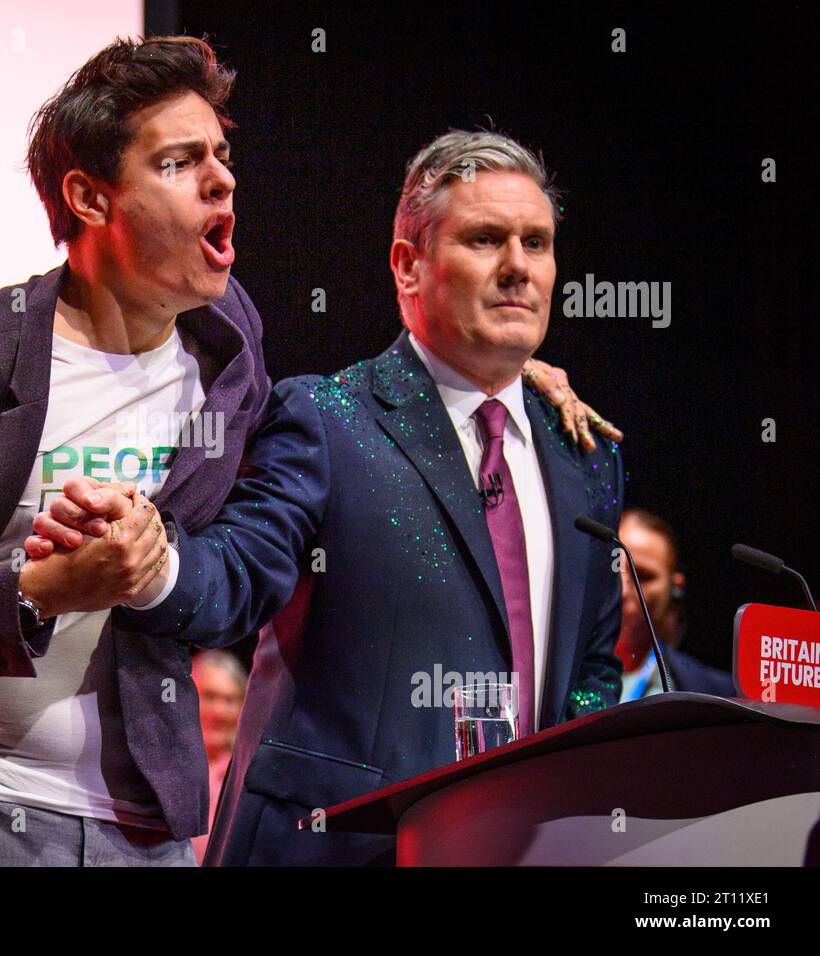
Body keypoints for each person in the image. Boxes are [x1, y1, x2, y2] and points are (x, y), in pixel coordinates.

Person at [0, 37, 617, 866]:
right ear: (90, 199)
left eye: (221, 158)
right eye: (179, 164)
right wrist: (33, 593)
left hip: (141, 827)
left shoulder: (230, 346)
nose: (221, 184)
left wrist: (493, 384)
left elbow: (378, 420)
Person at [30, 130, 628, 866]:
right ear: (409, 266)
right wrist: (152, 561)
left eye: (536, 244)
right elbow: (237, 576)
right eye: (485, 239)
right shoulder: (327, 417)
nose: (517, 268)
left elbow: (591, 675)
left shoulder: (587, 458)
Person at [616, 508, 735, 698]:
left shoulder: (719, 694)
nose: (622, 590)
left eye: (643, 576)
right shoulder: (556, 670)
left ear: (675, 589)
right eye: (614, 569)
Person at [190, 650, 246, 863]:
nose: (219, 712)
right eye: (209, 696)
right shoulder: (160, 771)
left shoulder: (244, 779)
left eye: (230, 700)